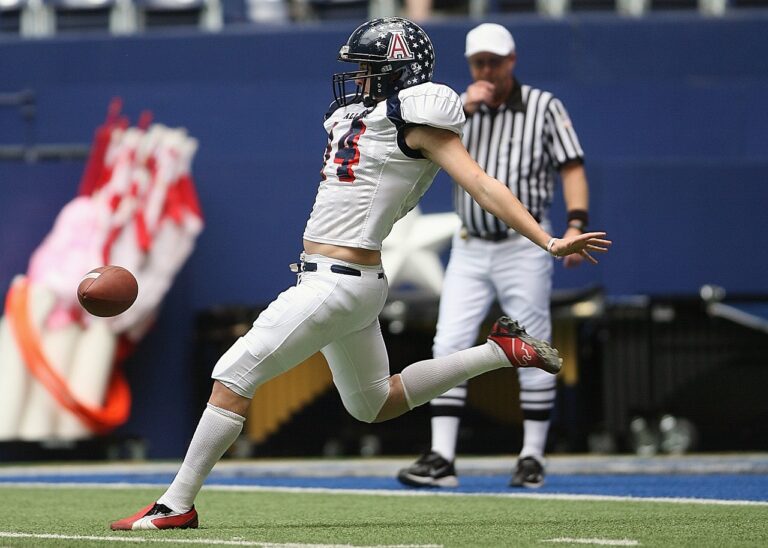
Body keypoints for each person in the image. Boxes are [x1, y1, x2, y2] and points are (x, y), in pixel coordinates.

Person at [110, 17, 609, 530]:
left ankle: (176, 504)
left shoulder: (418, 118)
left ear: (400, 72)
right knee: (376, 403)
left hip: (338, 281)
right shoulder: (357, 114)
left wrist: (548, 239)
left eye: (371, 68)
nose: (360, 78)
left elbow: (481, 183)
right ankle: (496, 352)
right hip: (344, 283)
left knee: (233, 375)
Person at [396, 23, 593, 490]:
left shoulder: (544, 106)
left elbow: (572, 166)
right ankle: (442, 455)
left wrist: (575, 223)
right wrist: (462, 107)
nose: (486, 69)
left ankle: (532, 455)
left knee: (534, 341)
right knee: (449, 342)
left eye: (494, 61)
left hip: (521, 247)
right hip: (470, 243)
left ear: (511, 61)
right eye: (478, 62)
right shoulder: (457, 109)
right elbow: (418, 143)